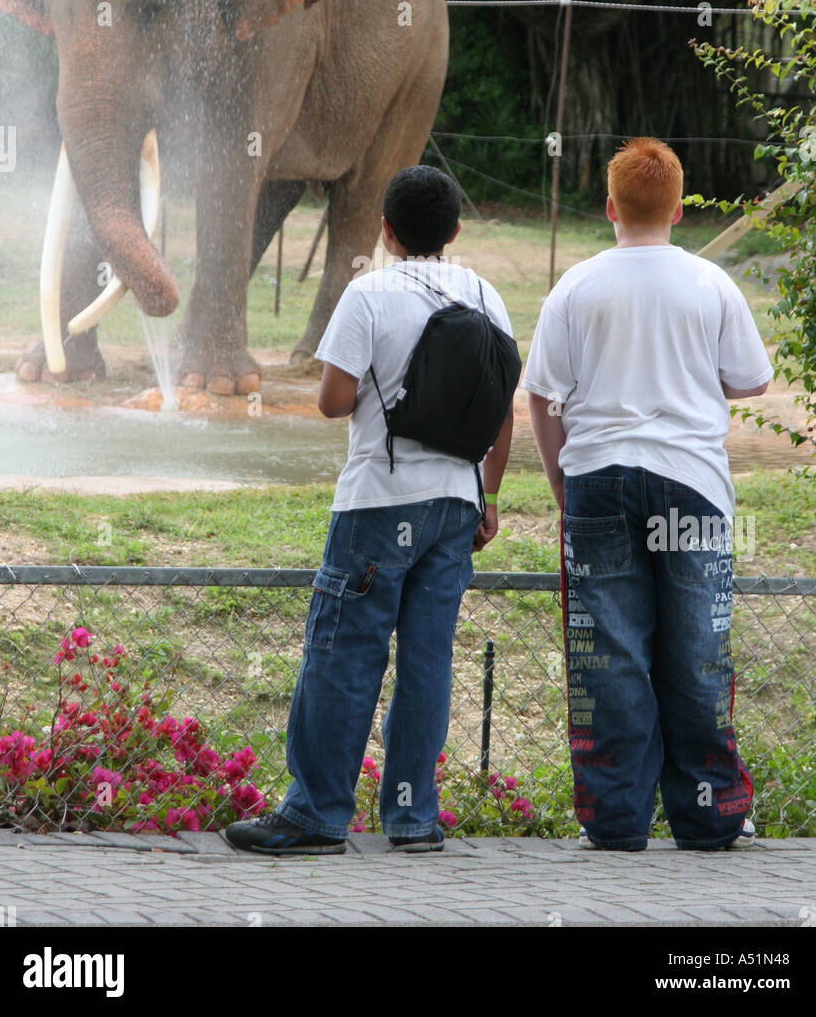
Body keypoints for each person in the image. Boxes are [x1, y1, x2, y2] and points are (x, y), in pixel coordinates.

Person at [226, 165, 515, 855]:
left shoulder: (369, 293)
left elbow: (332, 400)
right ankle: (413, 818)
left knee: (343, 653)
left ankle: (316, 815)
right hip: (454, 503)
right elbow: (501, 410)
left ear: (384, 229)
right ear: (452, 231)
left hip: (380, 504)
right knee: (426, 660)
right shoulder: (486, 294)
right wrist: (489, 496)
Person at [524, 137, 772, 852]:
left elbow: (542, 397)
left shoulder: (575, 285)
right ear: (678, 206)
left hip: (598, 481)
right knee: (695, 650)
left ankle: (613, 819)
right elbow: (750, 380)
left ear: (609, 207)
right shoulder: (710, 284)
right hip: (691, 485)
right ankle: (709, 816)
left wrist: (560, 484)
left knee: (607, 653)